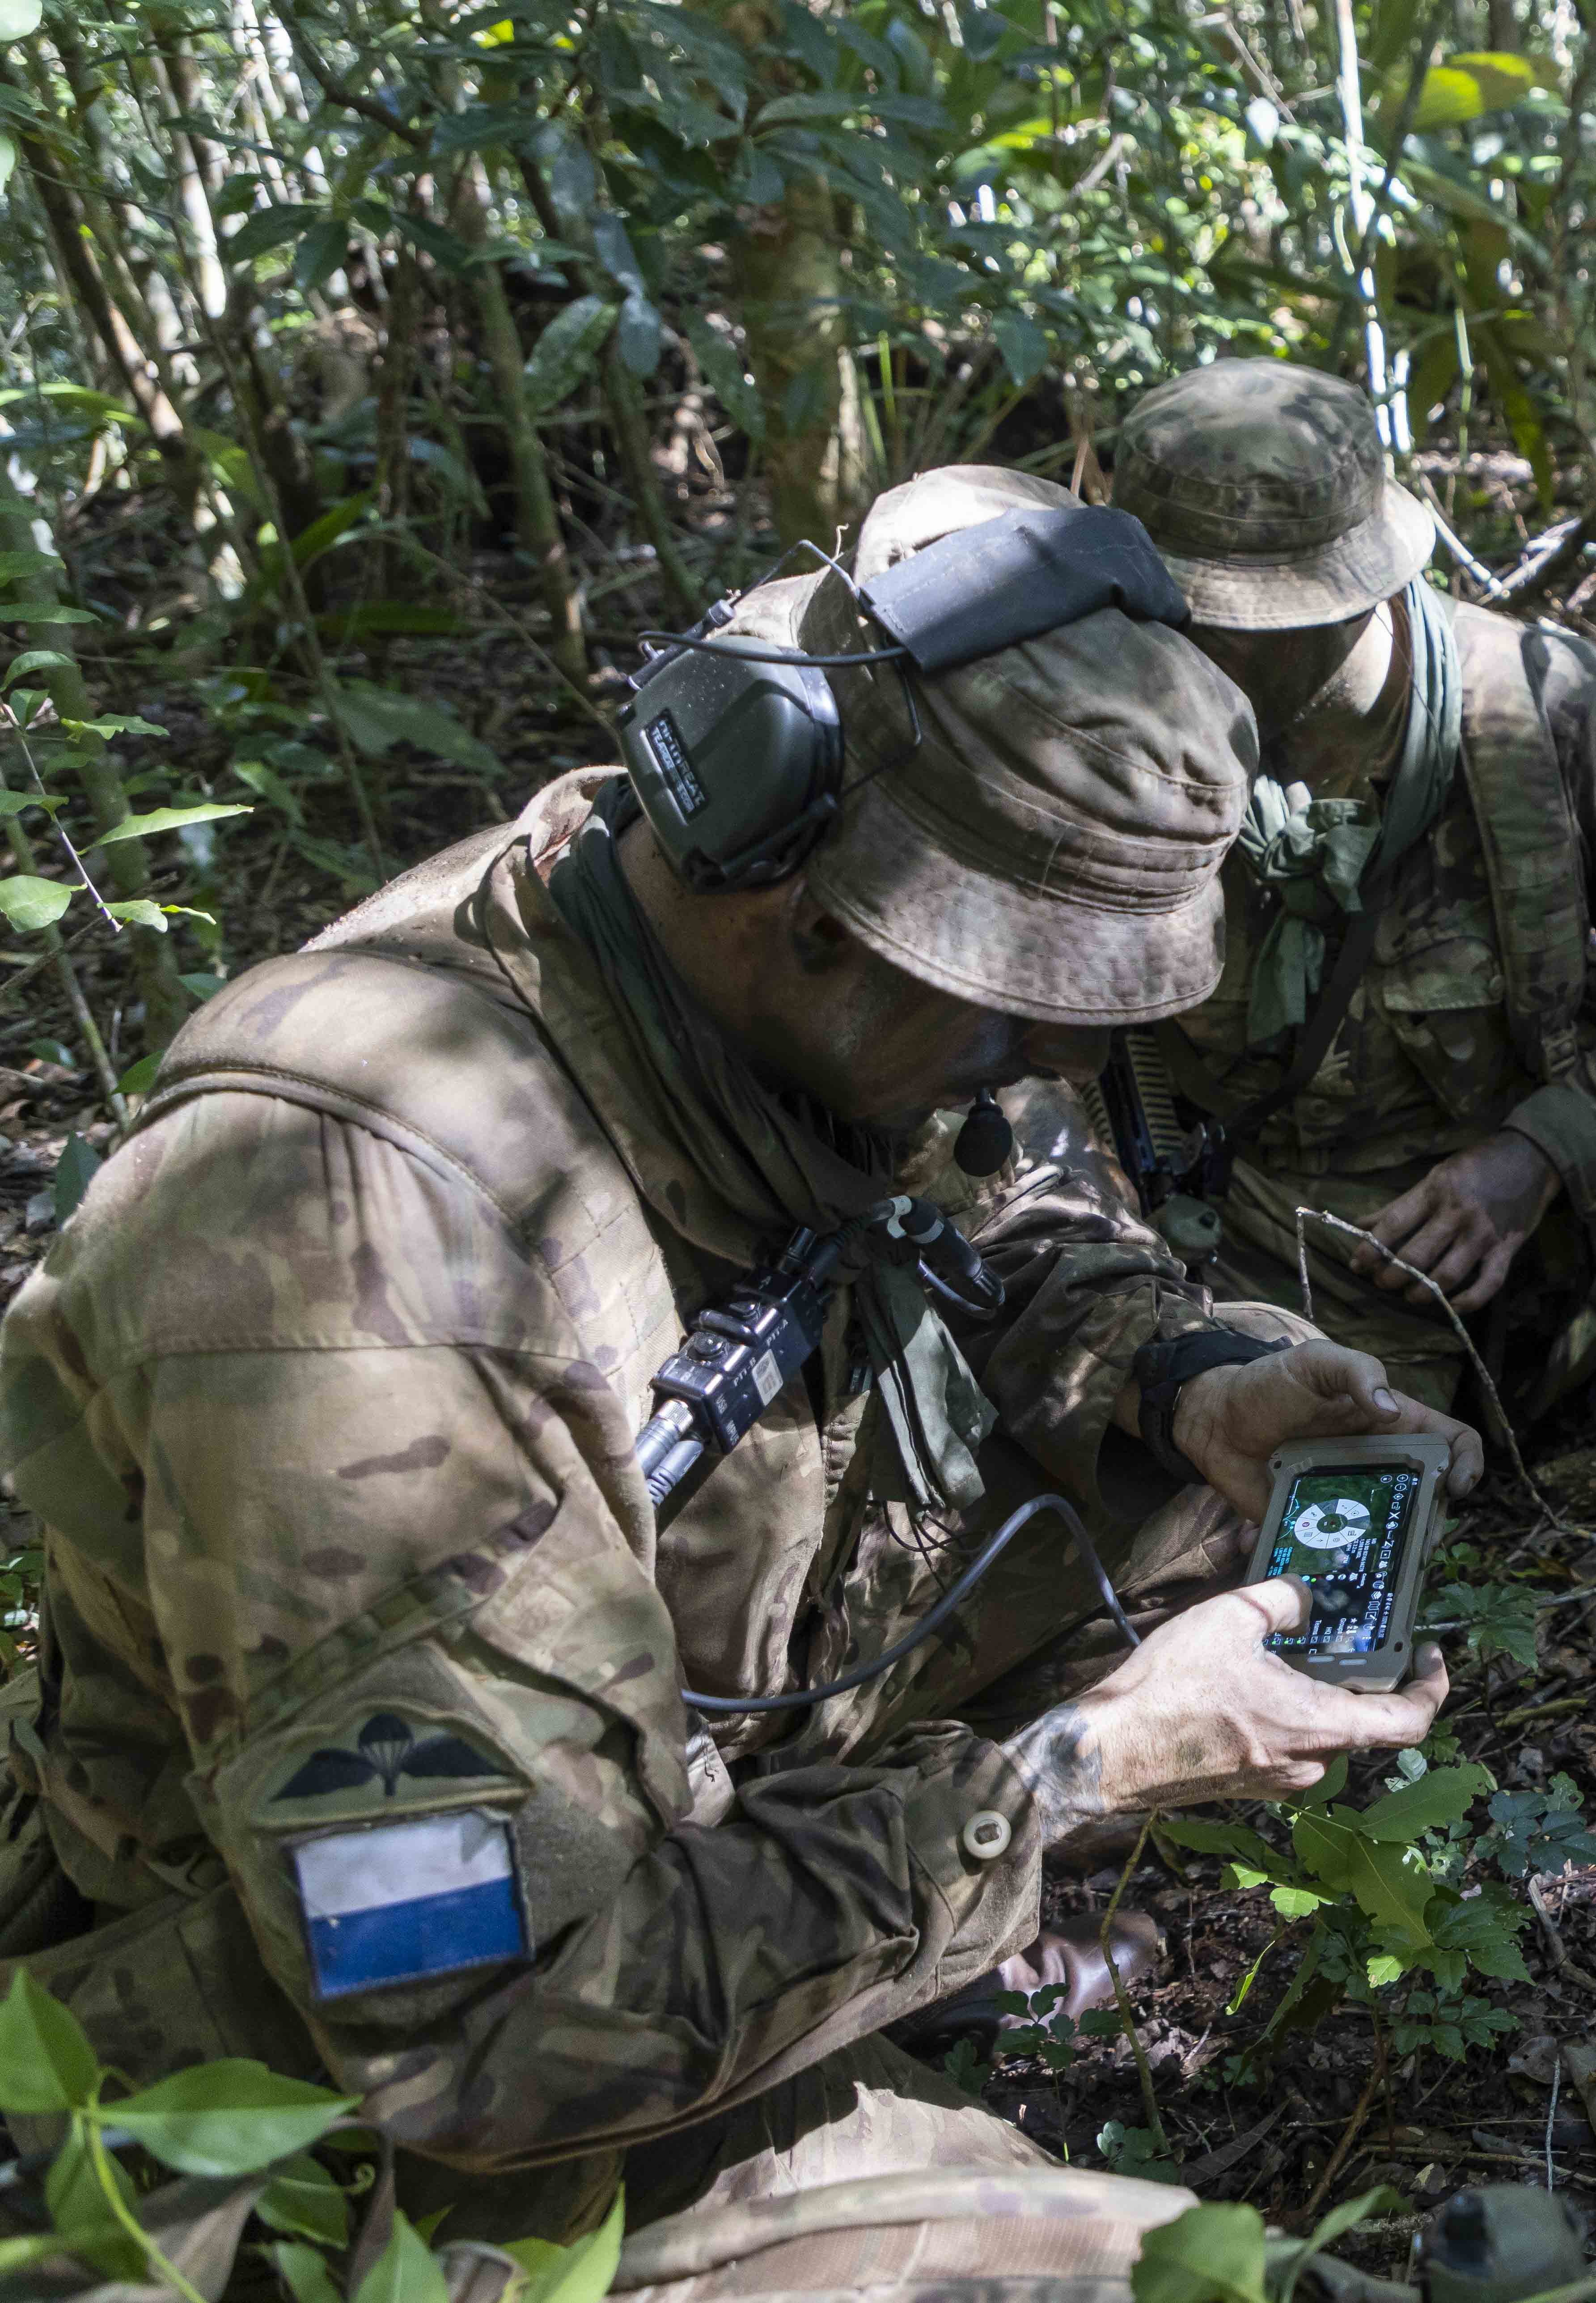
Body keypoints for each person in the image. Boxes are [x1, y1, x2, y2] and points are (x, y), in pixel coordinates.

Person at [0, 476, 1481, 2286]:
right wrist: (1077, 1776)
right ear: (791, 895)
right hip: (335, 2072)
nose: (1040, 1067)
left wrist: (1191, 1380)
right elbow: (469, 2035)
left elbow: (1000, 1203)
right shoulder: (355, 1272)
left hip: (678, 1754)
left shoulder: (759, 982)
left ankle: (851, 1948)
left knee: (1204, 1512)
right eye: (1011, 1010)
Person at [1096, 361, 1596, 1412]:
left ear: (1341, 592)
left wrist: (1539, 1151)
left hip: (1534, 1253)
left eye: (1212, 611)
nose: (1169, 634)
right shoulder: (1118, 728)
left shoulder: (1558, 721)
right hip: (1240, 1257)